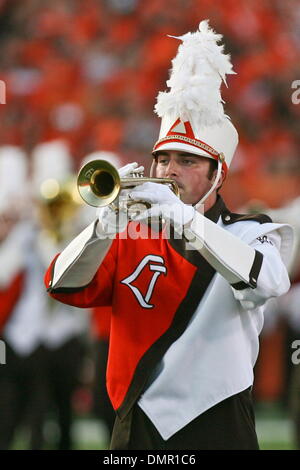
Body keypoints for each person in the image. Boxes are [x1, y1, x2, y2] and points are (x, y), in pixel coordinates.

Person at [44, 21, 293, 450]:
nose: (168, 171)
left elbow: (267, 281)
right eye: (162, 159)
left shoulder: (252, 232)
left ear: (218, 174)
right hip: (137, 418)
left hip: (218, 417)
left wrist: (184, 218)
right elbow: (62, 284)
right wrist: (103, 226)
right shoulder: (128, 232)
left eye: (187, 161)